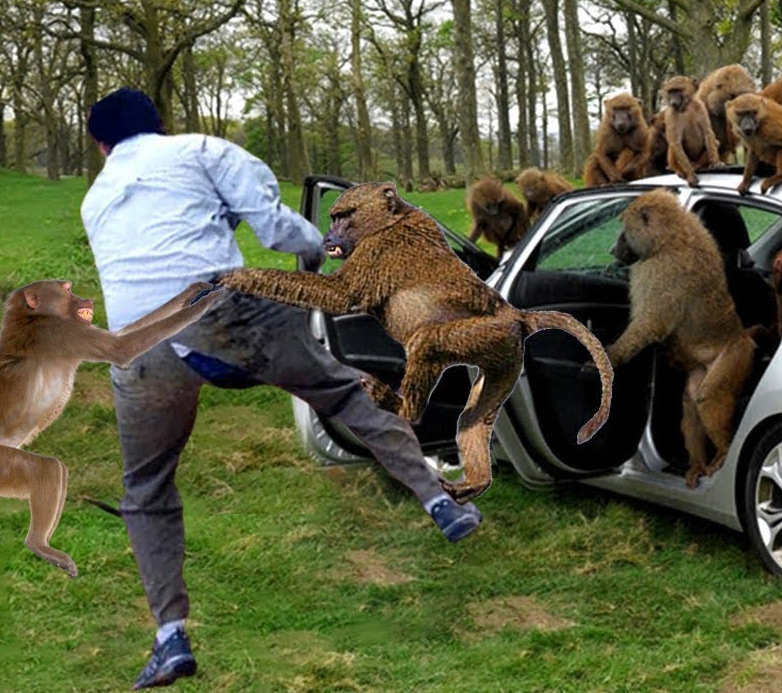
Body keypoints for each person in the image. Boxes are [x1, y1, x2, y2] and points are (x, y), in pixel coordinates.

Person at [81, 87, 483, 690]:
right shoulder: (200, 151)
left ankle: (169, 637)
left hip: (138, 344)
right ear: (159, 125)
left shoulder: (95, 198)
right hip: (218, 310)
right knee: (343, 392)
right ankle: (440, 500)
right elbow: (275, 229)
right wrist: (315, 253)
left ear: (101, 145)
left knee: (146, 487)